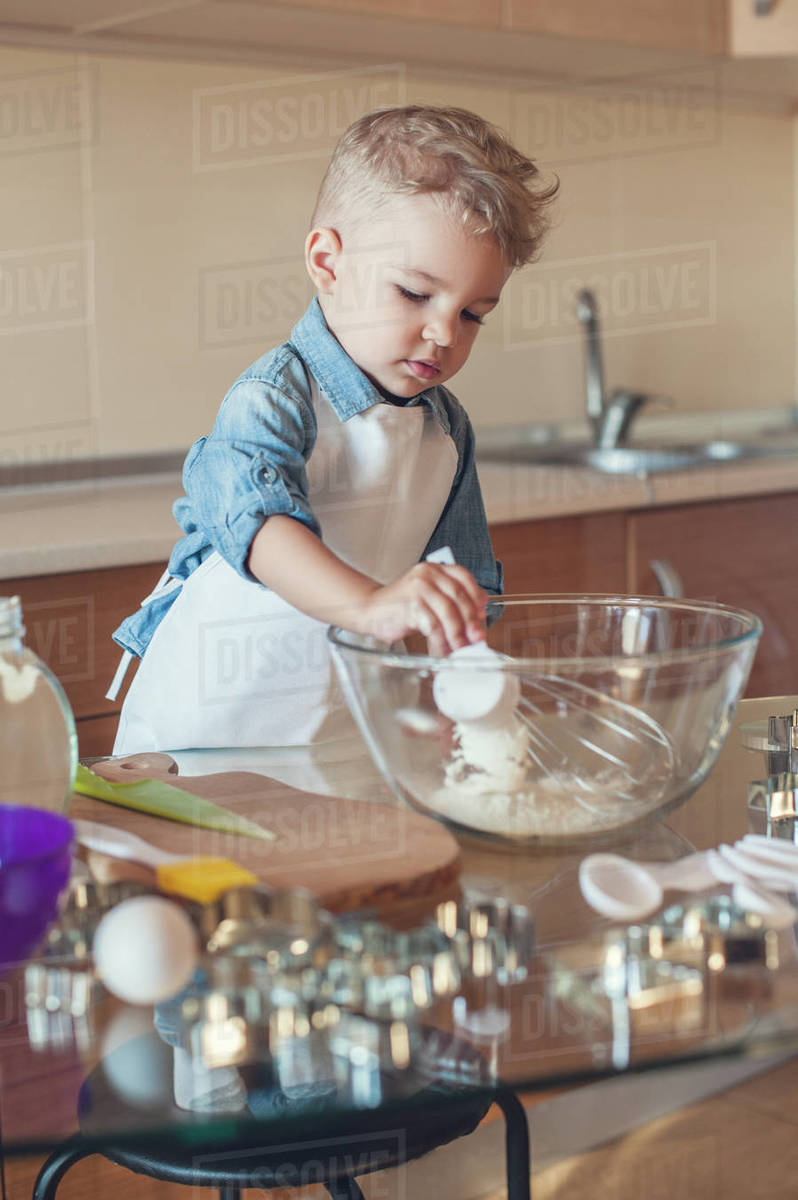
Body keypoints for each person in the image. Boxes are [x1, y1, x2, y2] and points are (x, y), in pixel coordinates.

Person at [109, 104, 558, 753]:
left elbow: (461, 588)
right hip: (205, 733)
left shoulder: (447, 430)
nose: (444, 333)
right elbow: (259, 529)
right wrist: (373, 608)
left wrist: (457, 685)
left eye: (474, 314)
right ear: (327, 262)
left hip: (347, 736)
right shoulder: (273, 397)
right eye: (414, 293)